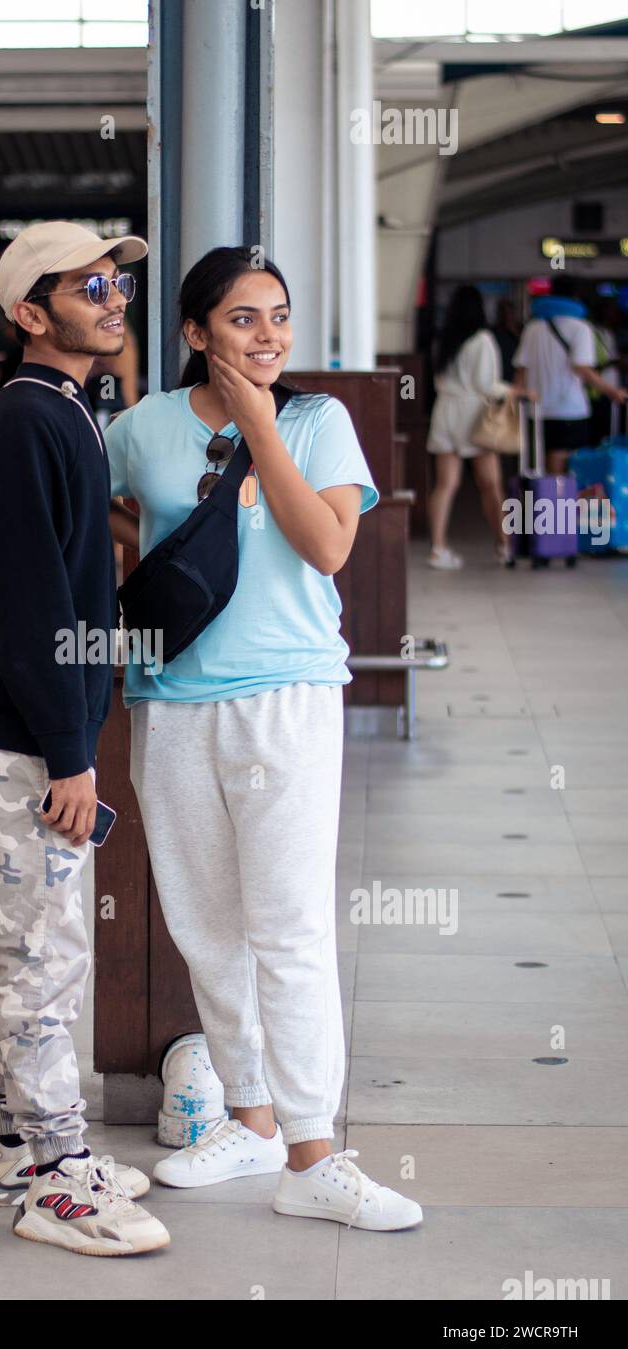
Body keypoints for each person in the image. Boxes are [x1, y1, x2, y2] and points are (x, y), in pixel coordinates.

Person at [104, 245, 422, 1233]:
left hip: (286, 696)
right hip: (170, 697)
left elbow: (326, 544)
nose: (268, 335)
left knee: (288, 927)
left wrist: (257, 428)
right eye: (243, 318)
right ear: (195, 333)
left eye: (278, 316)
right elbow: (104, 530)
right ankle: (244, 1120)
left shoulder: (316, 421)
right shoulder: (139, 429)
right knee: (206, 925)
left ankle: (312, 1149)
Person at [0, 221, 171, 1258]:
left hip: (32, 730)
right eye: (87, 284)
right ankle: (58, 1177)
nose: (112, 296)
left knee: (27, 944)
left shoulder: (62, 409)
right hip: (27, 739)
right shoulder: (32, 421)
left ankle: (14, 1149)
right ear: (31, 312)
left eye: (116, 280)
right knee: (43, 954)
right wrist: (71, 751)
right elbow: (31, 605)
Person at [425, 285, 535, 570]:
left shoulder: (444, 339)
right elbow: (487, 385)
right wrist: (518, 391)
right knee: (490, 484)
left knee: (445, 485)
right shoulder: (483, 339)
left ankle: (438, 548)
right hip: (475, 416)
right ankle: (503, 545)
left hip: (445, 411)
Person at [513, 274, 627, 476]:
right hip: (568, 409)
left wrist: (514, 407)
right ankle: (558, 507)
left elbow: (520, 371)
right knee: (564, 471)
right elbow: (582, 368)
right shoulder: (580, 328)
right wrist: (612, 391)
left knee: (539, 468)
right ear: (575, 296)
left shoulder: (532, 328)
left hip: (535, 411)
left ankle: (543, 505)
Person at [587, 298, 624, 445]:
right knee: (599, 431)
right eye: (612, 311)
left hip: (613, 390)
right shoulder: (593, 332)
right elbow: (588, 365)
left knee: (611, 429)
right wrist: (613, 362)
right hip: (599, 390)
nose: (616, 315)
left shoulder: (609, 332)